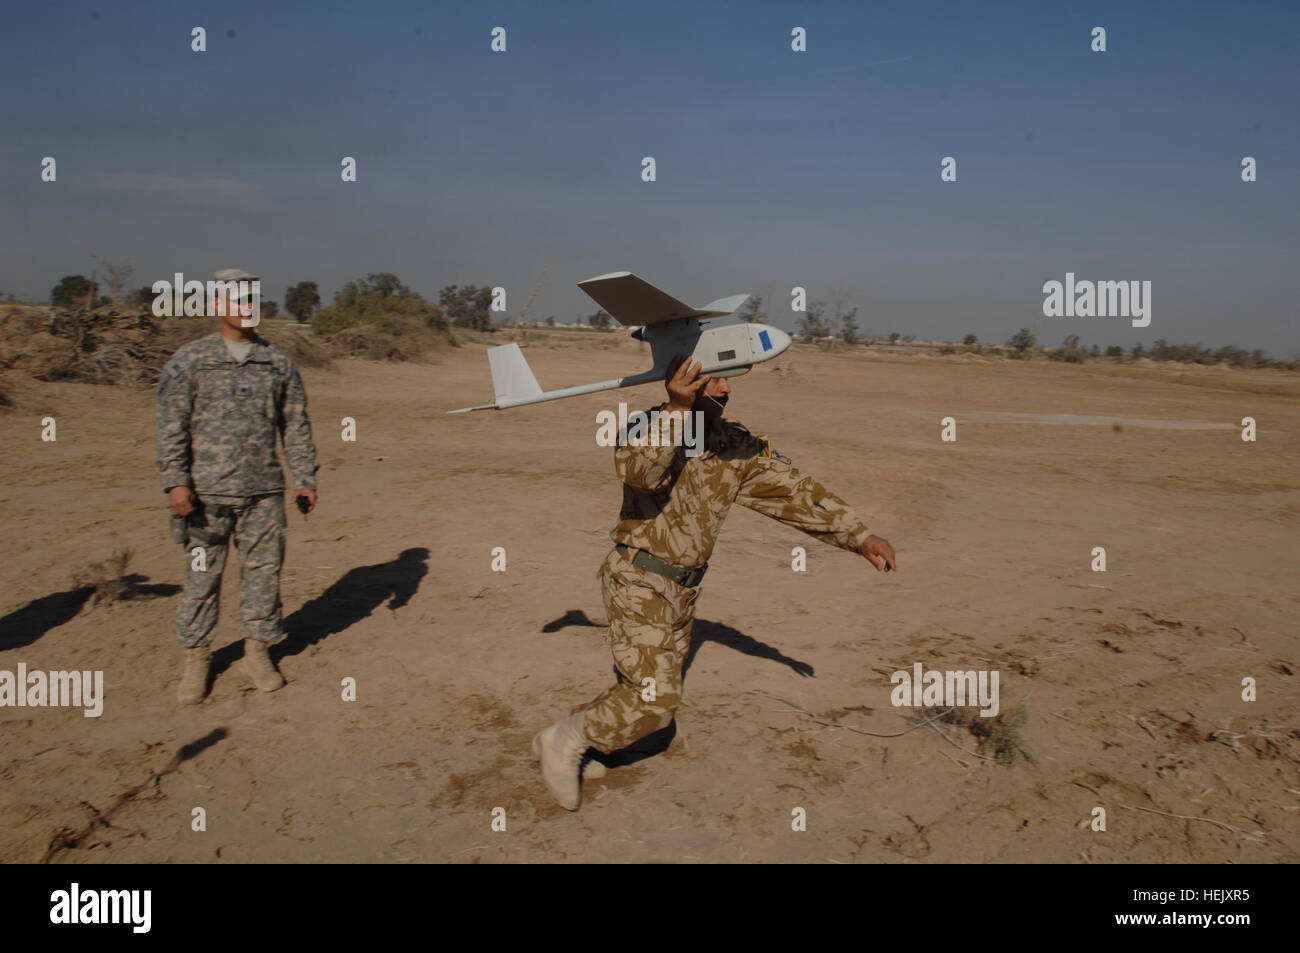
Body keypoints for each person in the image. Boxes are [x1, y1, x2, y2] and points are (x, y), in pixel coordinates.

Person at [534, 355, 896, 809]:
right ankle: (563, 740)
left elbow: (794, 491)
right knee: (656, 698)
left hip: (684, 589)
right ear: (683, 378)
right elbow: (641, 474)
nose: (726, 391)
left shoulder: (733, 442)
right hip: (638, 580)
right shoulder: (645, 426)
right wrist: (677, 409)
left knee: (648, 692)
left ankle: (604, 742)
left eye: (729, 381)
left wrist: (858, 535)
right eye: (715, 380)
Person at [156, 268, 319, 704]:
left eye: (253, 300)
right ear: (217, 305)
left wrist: (304, 478)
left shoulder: (277, 362)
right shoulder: (191, 360)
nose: (248, 308)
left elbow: (296, 425)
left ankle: (256, 652)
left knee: (263, 576)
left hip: (263, 492)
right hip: (205, 496)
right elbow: (171, 425)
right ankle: (197, 659)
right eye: (238, 300)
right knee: (200, 578)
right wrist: (176, 482)